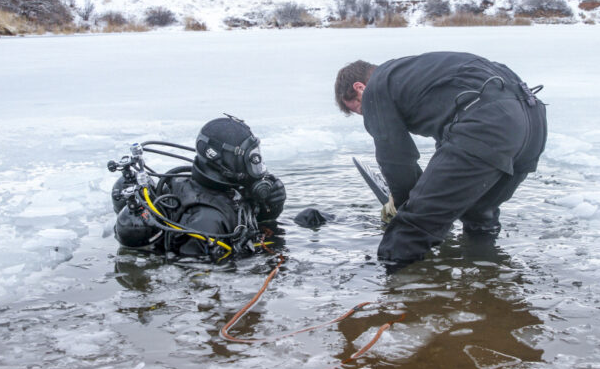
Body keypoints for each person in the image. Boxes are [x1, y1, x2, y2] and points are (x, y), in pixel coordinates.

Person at [335, 52, 547, 263]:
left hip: (488, 122)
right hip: (533, 123)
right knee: (479, 214)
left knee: (408, 233)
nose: (368, 114)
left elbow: (395, 157)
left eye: (361, 109)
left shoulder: (377, 87)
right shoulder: (420, 73)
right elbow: (450, 141)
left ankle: (394, 294)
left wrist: (404, 205)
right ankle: (485, 280)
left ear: (360, 88)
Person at [112, 115, 286, 261]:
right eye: (249, 159)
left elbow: (254, 221)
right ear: (223, 162)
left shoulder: (221, 188)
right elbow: (203, 283)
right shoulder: (206, 221)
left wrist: (270, 207)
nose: (254, 165)